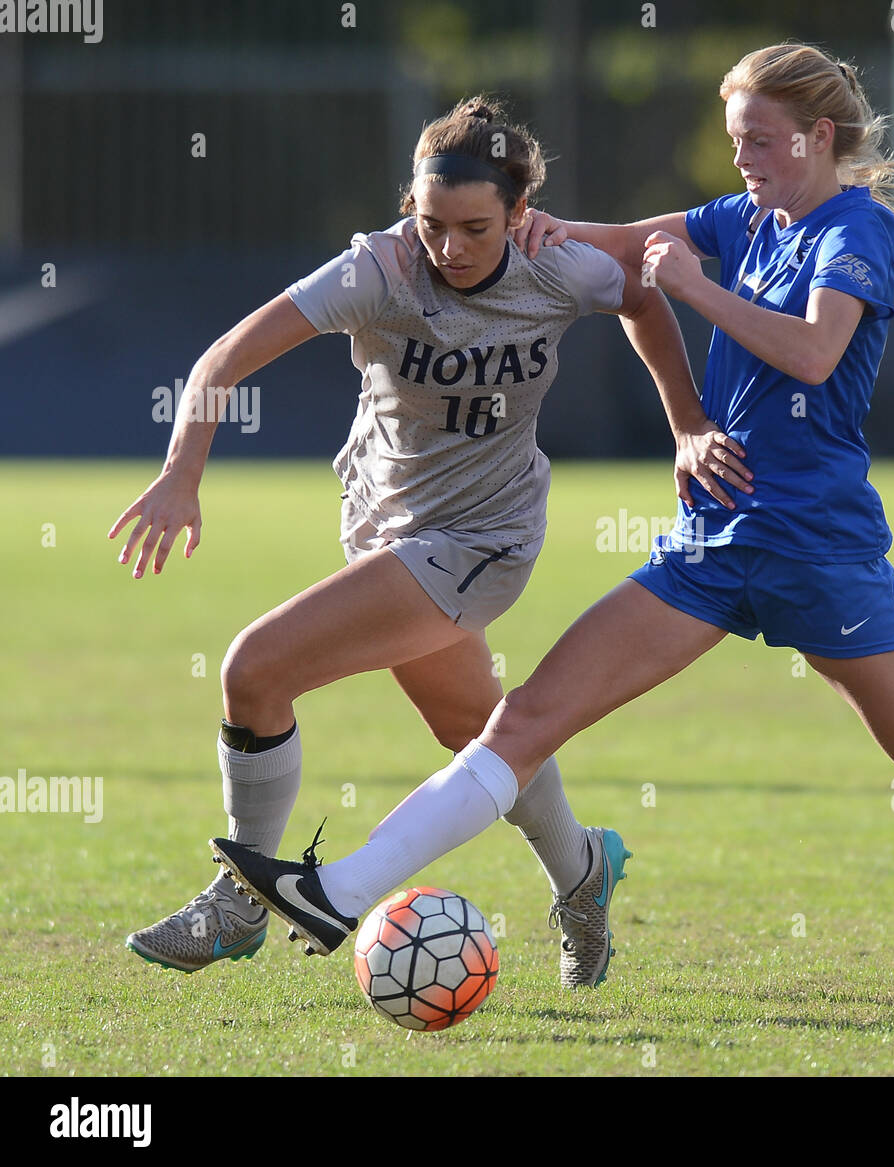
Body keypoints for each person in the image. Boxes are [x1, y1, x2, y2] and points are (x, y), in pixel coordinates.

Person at [214, 45, 894, 1002]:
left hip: (818, 549)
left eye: (760, 141)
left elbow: (815, 352)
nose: (743, 162)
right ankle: (337, 892)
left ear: (821, 137)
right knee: (523, 723)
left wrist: (689, 288)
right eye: (735, 142)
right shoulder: (749, 217)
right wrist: (538, 229)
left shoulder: (852, 228)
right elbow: (626, 247)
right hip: (712, 542)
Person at [111, 95, 727, 988]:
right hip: (383, 532)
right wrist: (181, 472)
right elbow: (225, 359)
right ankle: (584, 870)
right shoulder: (380, 269)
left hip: (486, 541)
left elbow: (640, 293)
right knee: (476, 731)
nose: (451, 247)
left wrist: (686, 424)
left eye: (477, 227)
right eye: (432, 223)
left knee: (254, 667)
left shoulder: (558, 269)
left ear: (521, 216)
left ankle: (238, 901)